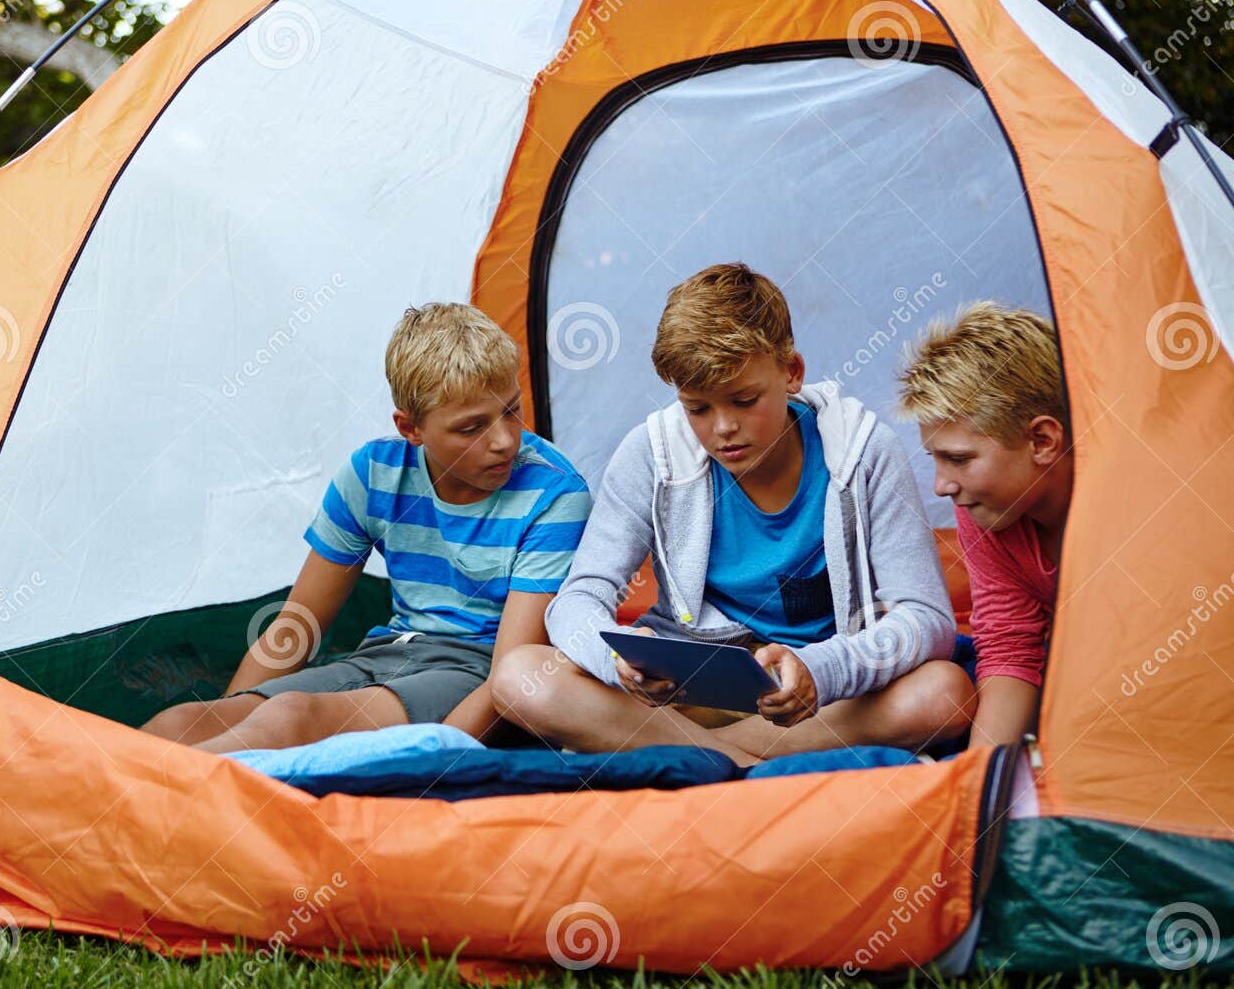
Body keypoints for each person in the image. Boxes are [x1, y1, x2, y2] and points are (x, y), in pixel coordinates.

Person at [492, 263, 973, 763]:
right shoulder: (650, 454)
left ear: (792, 372)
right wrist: (614, 657)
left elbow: (928, 619)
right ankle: (745, 761)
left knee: (944, 693)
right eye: (697, 408)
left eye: (744, 401)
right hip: (689, 696)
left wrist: (822, 670)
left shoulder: (864, 451)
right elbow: (577, 599)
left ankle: (701, 759)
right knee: (518, 676)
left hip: (819, 699)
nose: (723, 427)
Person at [140, 302, 590, 752]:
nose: (504, 441)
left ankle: (178, 798)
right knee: (180, 723)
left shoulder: (554, 494)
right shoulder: (374, 474)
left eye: (511, 410)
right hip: (387, 655)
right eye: (471, 428)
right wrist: (227, 708)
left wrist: (438, 759)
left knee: (291, 718)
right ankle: (120, 803)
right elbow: (298, 625)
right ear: (410, 428)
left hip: (475, 674)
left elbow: (508, 677)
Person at [897, 303, 1070, 747]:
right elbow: (1011, 644)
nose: (940, 486)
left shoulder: (1127, 497)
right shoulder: (985, 510)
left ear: (1042, 441)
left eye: (958, 459)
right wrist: (981, 785)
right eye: (934, 459)